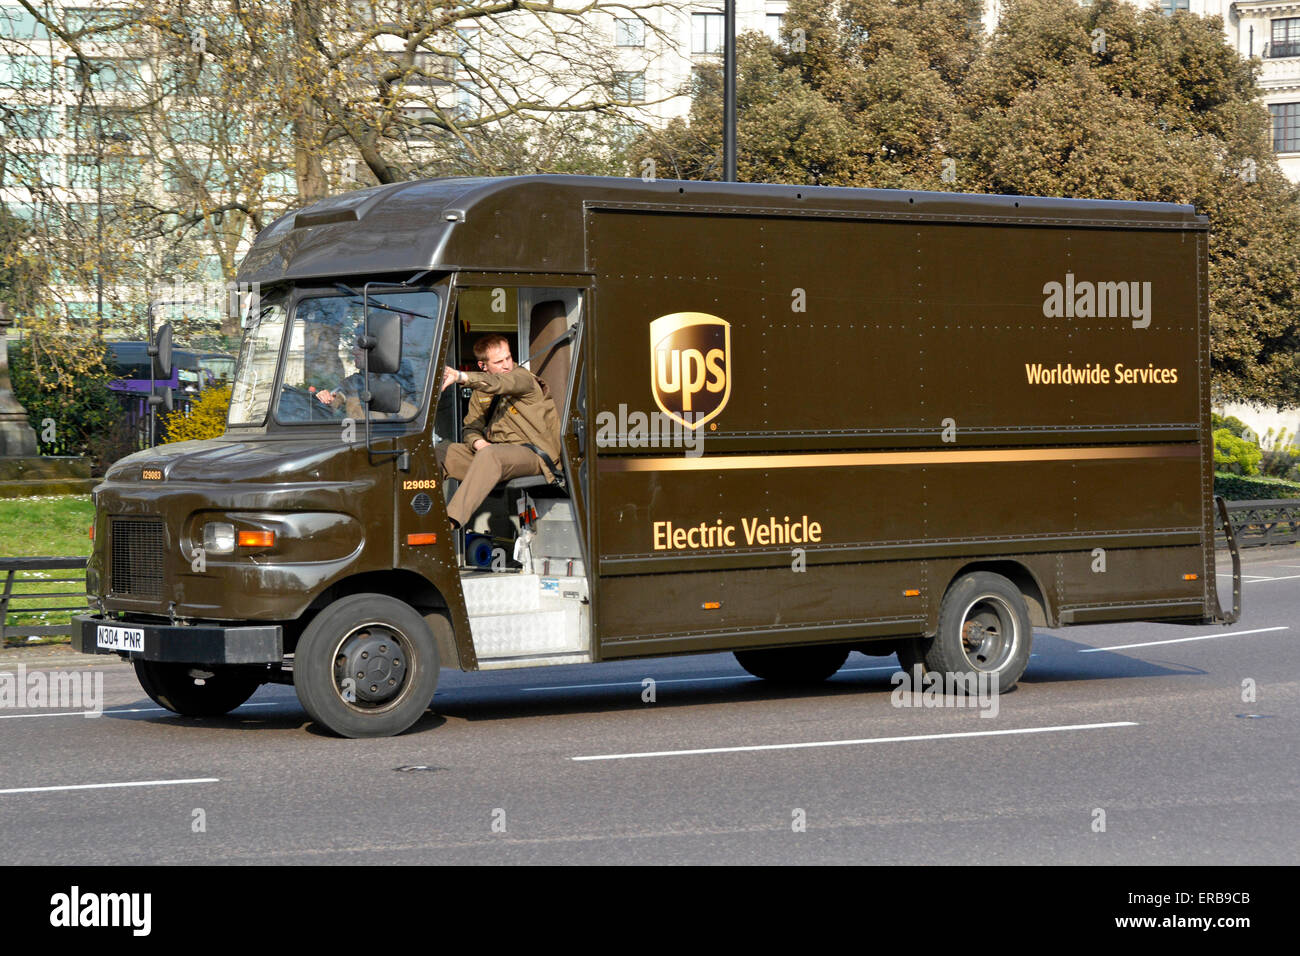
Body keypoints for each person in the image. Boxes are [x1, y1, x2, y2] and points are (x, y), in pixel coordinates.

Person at [438, 333, 562, 529]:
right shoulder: (481, 394)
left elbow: (500, 383)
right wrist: (478, 443)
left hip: (534, 455)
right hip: (495, 454)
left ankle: (448, 524)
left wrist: (460, 377)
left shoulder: (523, 379)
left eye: (509, 358)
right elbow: (470, 427)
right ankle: (417, 517)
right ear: (483, 366)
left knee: (491, 455)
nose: (507, 365)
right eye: (499, 361)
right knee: (442, 452)